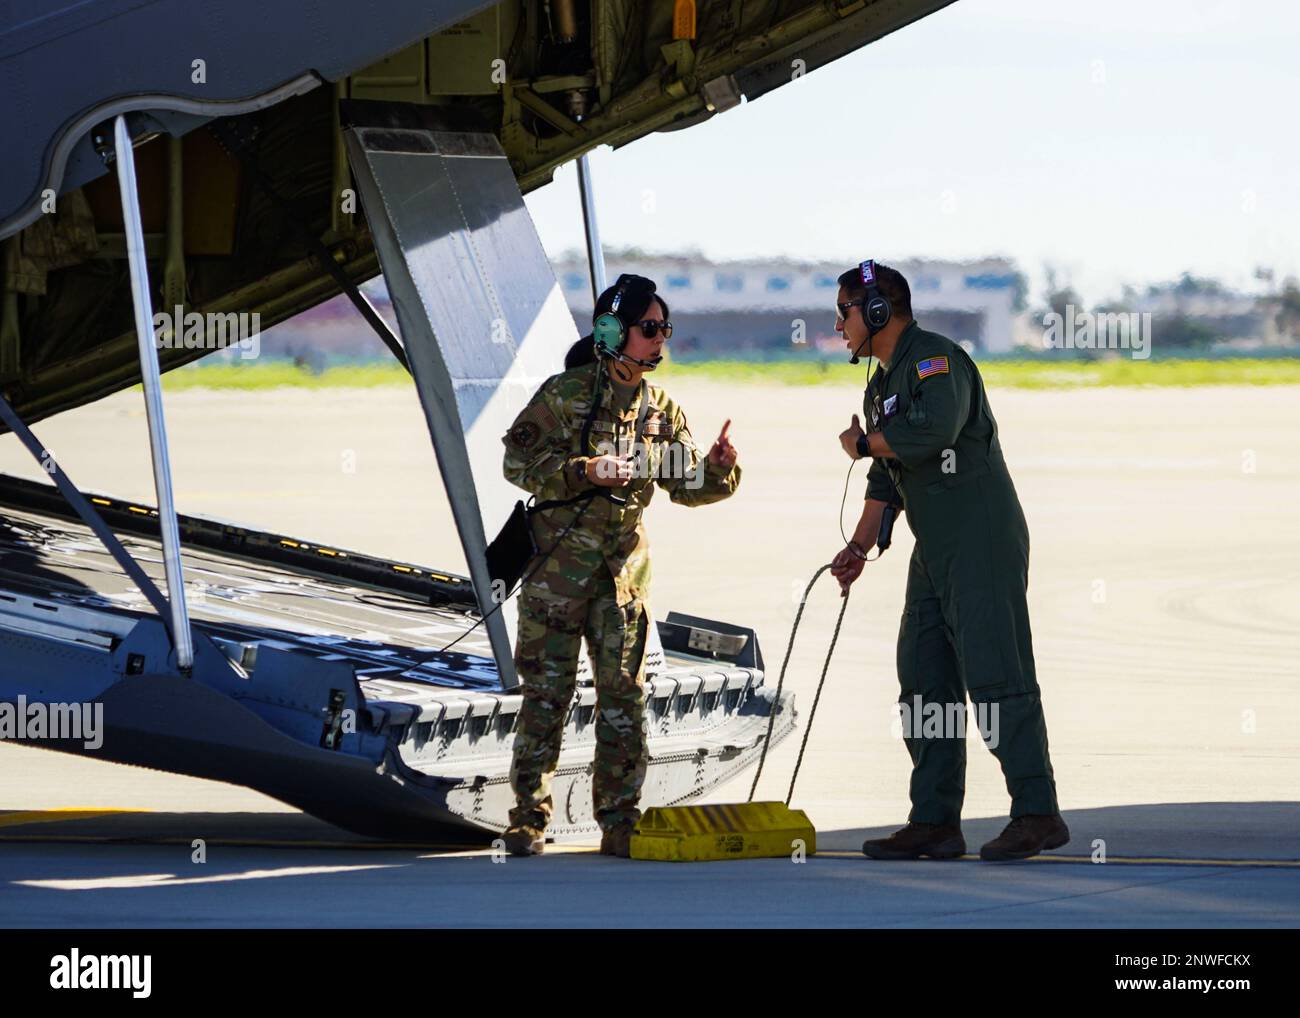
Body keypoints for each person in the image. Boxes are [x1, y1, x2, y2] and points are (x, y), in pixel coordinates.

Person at [830, 259, 1069, 862]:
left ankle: (1037, 811)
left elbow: (933, 431)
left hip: (978, 536)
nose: (838, 326)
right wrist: (858, 546)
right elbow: (888, 479)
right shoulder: (882, 382)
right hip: (934, 547)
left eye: (845, 312)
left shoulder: (936, 361)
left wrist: (861, 443)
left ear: (878, 312)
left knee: (995, 672)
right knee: (924, 677)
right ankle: (935, 821)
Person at [499, 273, 740, 857]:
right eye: (650, 329)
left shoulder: (662, 409)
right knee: (546, 698)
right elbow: (517, 463)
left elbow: (687, 488)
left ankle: (619, 821)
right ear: (613, 331)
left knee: (624, 700)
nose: (660, 341)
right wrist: (584, 470)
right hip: (557, 578)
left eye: (665, 330)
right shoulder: (564, 395)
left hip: (623, 582)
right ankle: (529, 819)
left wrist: (719, 469)